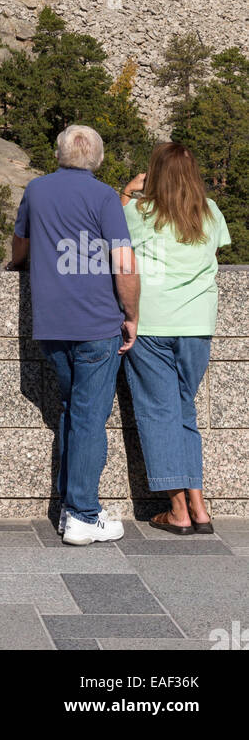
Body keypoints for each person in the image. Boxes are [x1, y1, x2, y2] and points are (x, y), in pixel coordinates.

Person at [10, 124, 139, 545]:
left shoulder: (36, 190)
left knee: (71, 411)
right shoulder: (104, 196)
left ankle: (69, 508)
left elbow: (20, 244)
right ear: (97, 158)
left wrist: (18, 263)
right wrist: (132, 315)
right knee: (88, 418)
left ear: (59, 154)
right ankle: (84, 513)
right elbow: (124, 263)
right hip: (96, 324)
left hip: (51, 324)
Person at [120, 142, 231, 534]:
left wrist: (127, 191)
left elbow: (113, 237)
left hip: (152, 324)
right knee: (184, 411)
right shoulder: (210, 211)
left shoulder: (139, 212)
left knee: (158, 414)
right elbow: (216, 248)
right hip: (197, 326)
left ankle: (179, 510)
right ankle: (199, 507)